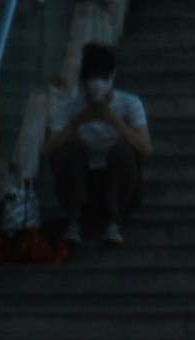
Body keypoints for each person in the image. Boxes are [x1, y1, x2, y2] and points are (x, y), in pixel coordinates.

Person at [39, 39, 152, 244]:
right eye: (93, 77)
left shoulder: (129, 104)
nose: (98, 82)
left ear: (112, 76)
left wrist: (115, 121)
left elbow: (146, 148)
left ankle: (112, 221)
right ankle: (75, 219)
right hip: (82, 185)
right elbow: (49, 148)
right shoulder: (70, 107)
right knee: (72, 147)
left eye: (103, 76)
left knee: (123, 150)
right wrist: (76, 122)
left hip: (121, 187)